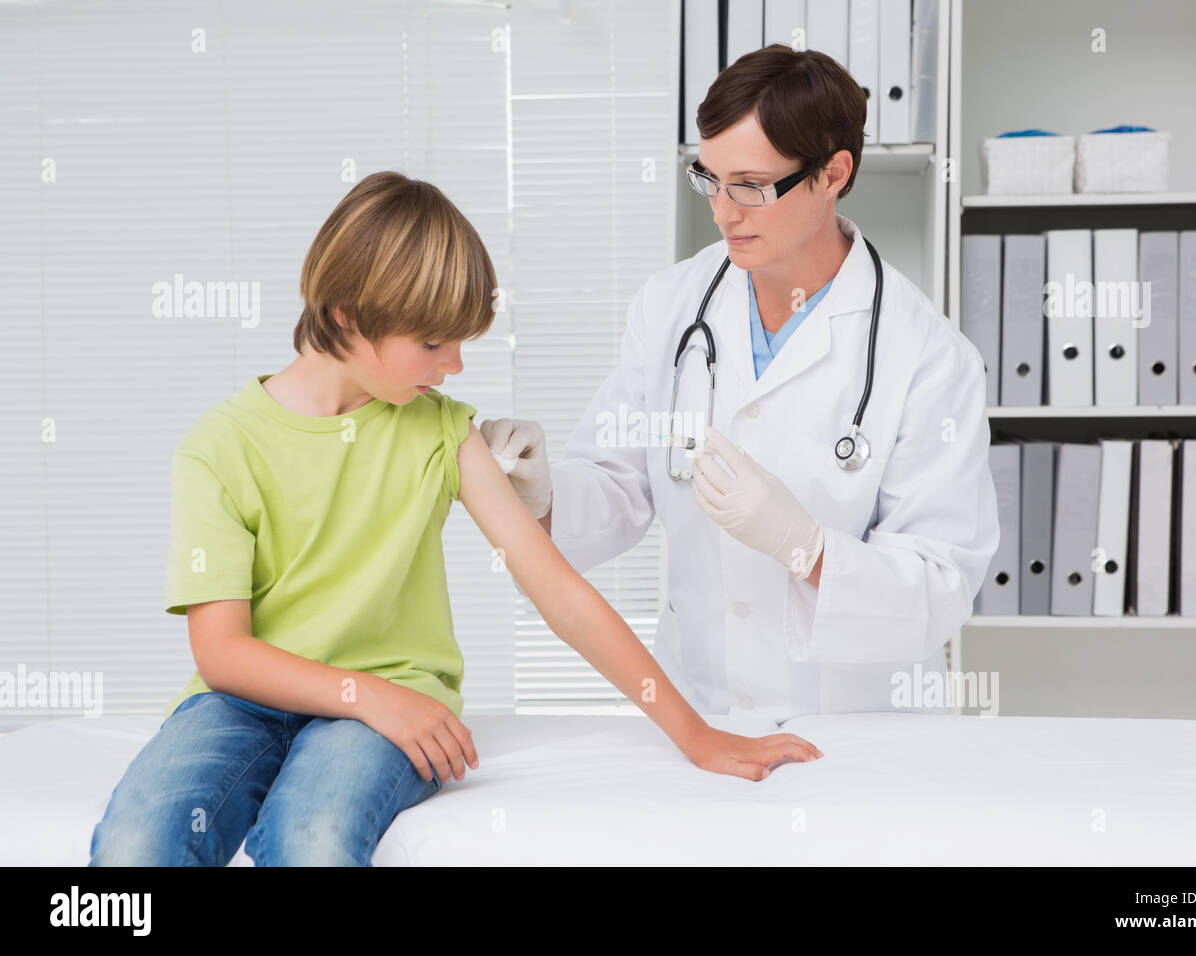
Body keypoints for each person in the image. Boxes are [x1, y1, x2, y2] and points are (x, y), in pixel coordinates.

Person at [89, 170, 821, 868]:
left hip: (393, 699)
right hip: (247, 705)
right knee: (134, 843)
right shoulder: (221, 446)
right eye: (434, 344)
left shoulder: (441, 431)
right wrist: (367, 696)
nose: (454, 367)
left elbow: (559, 594)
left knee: (314, 834)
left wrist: (694, 735)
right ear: (347, 315)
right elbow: (222, 652)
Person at [480, 46, 999, 722]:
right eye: (710, 178)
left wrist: (805, 548)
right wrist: (546, 493)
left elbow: (940, 587)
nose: (724, 211)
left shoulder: (928, 356)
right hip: (697, 712)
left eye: (751, 185)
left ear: (832, 174)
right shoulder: (672, 307)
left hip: (857, 732)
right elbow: (621, 484)